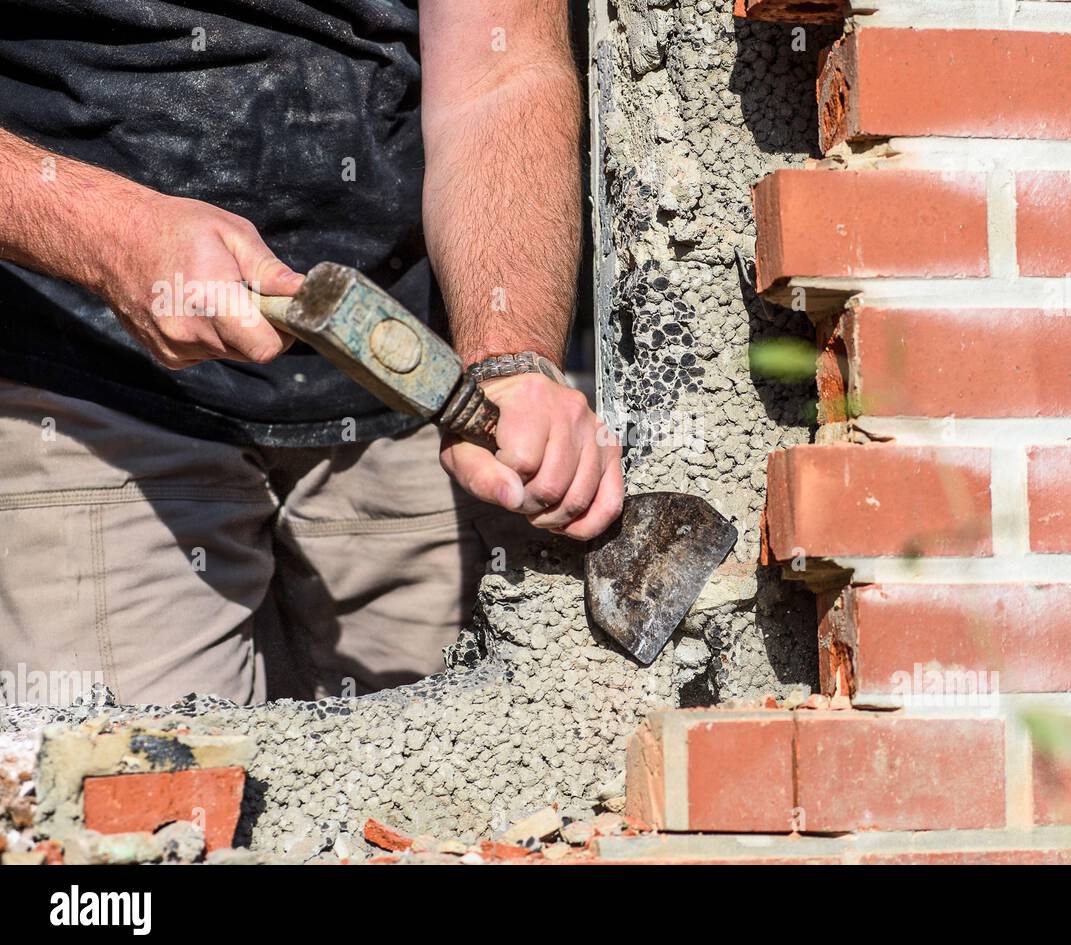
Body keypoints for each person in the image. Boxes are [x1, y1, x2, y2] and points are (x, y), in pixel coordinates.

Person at [0, 1, 622, 706]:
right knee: (145, 794)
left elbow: (500, 67)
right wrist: (100, 233)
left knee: (457, 789)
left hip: (418, 406)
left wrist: (510, 356)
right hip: (84, 383)